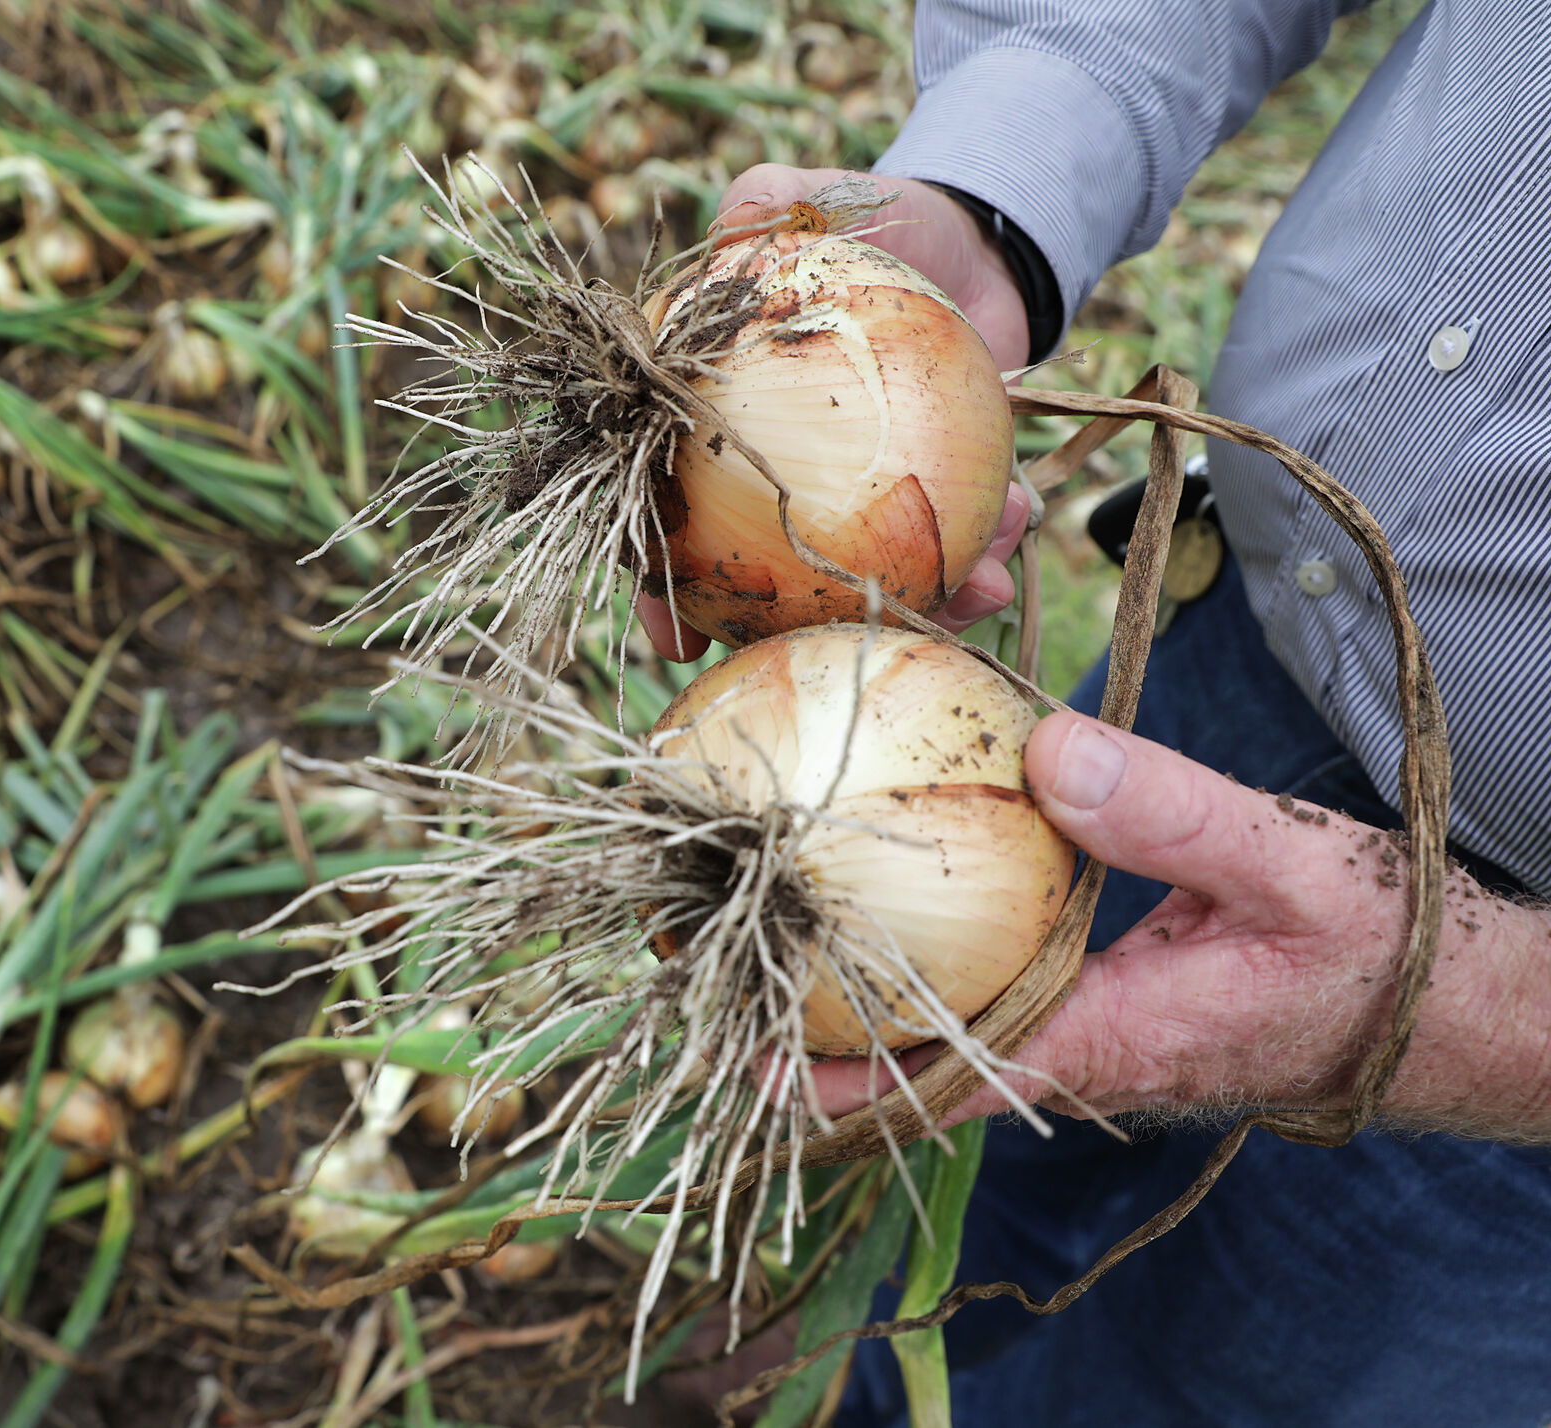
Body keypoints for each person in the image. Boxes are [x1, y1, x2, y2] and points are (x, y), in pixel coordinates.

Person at [638, 2, 1551, 1422]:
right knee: (949, 1155)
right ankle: (855, 1370)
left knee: (1192, 1387)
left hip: (1522, 1103)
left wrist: (1510, 1021)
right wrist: (995, 204)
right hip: (1214, 666)